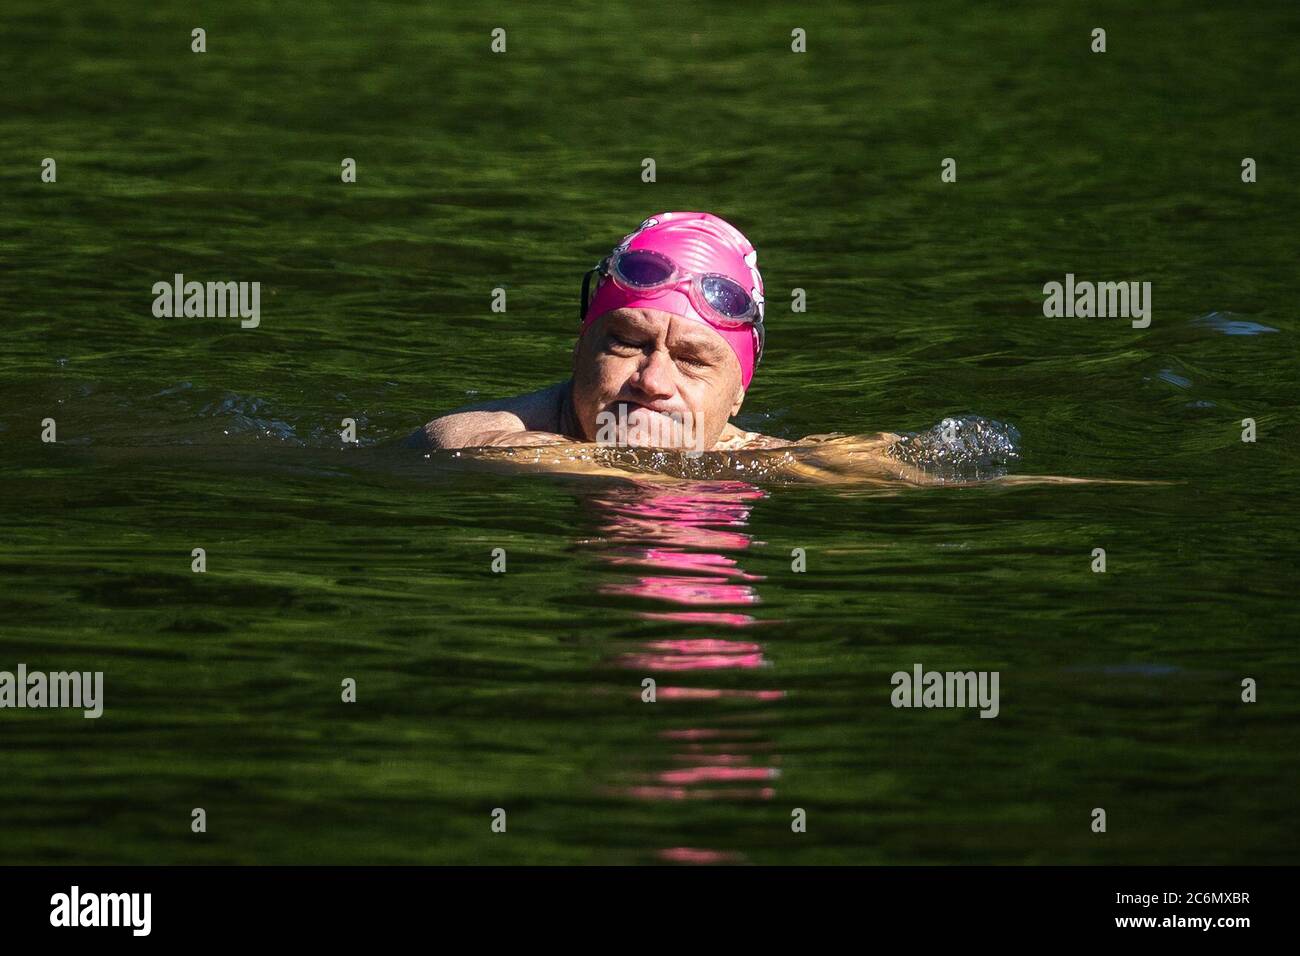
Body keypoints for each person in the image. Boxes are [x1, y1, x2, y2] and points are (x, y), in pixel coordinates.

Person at [414, 212, 791, 452]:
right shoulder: (473, 442)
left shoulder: (756, 453)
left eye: (691, 360)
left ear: (739, 391)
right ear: (580, 347)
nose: (653, 381)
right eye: (627, 343)